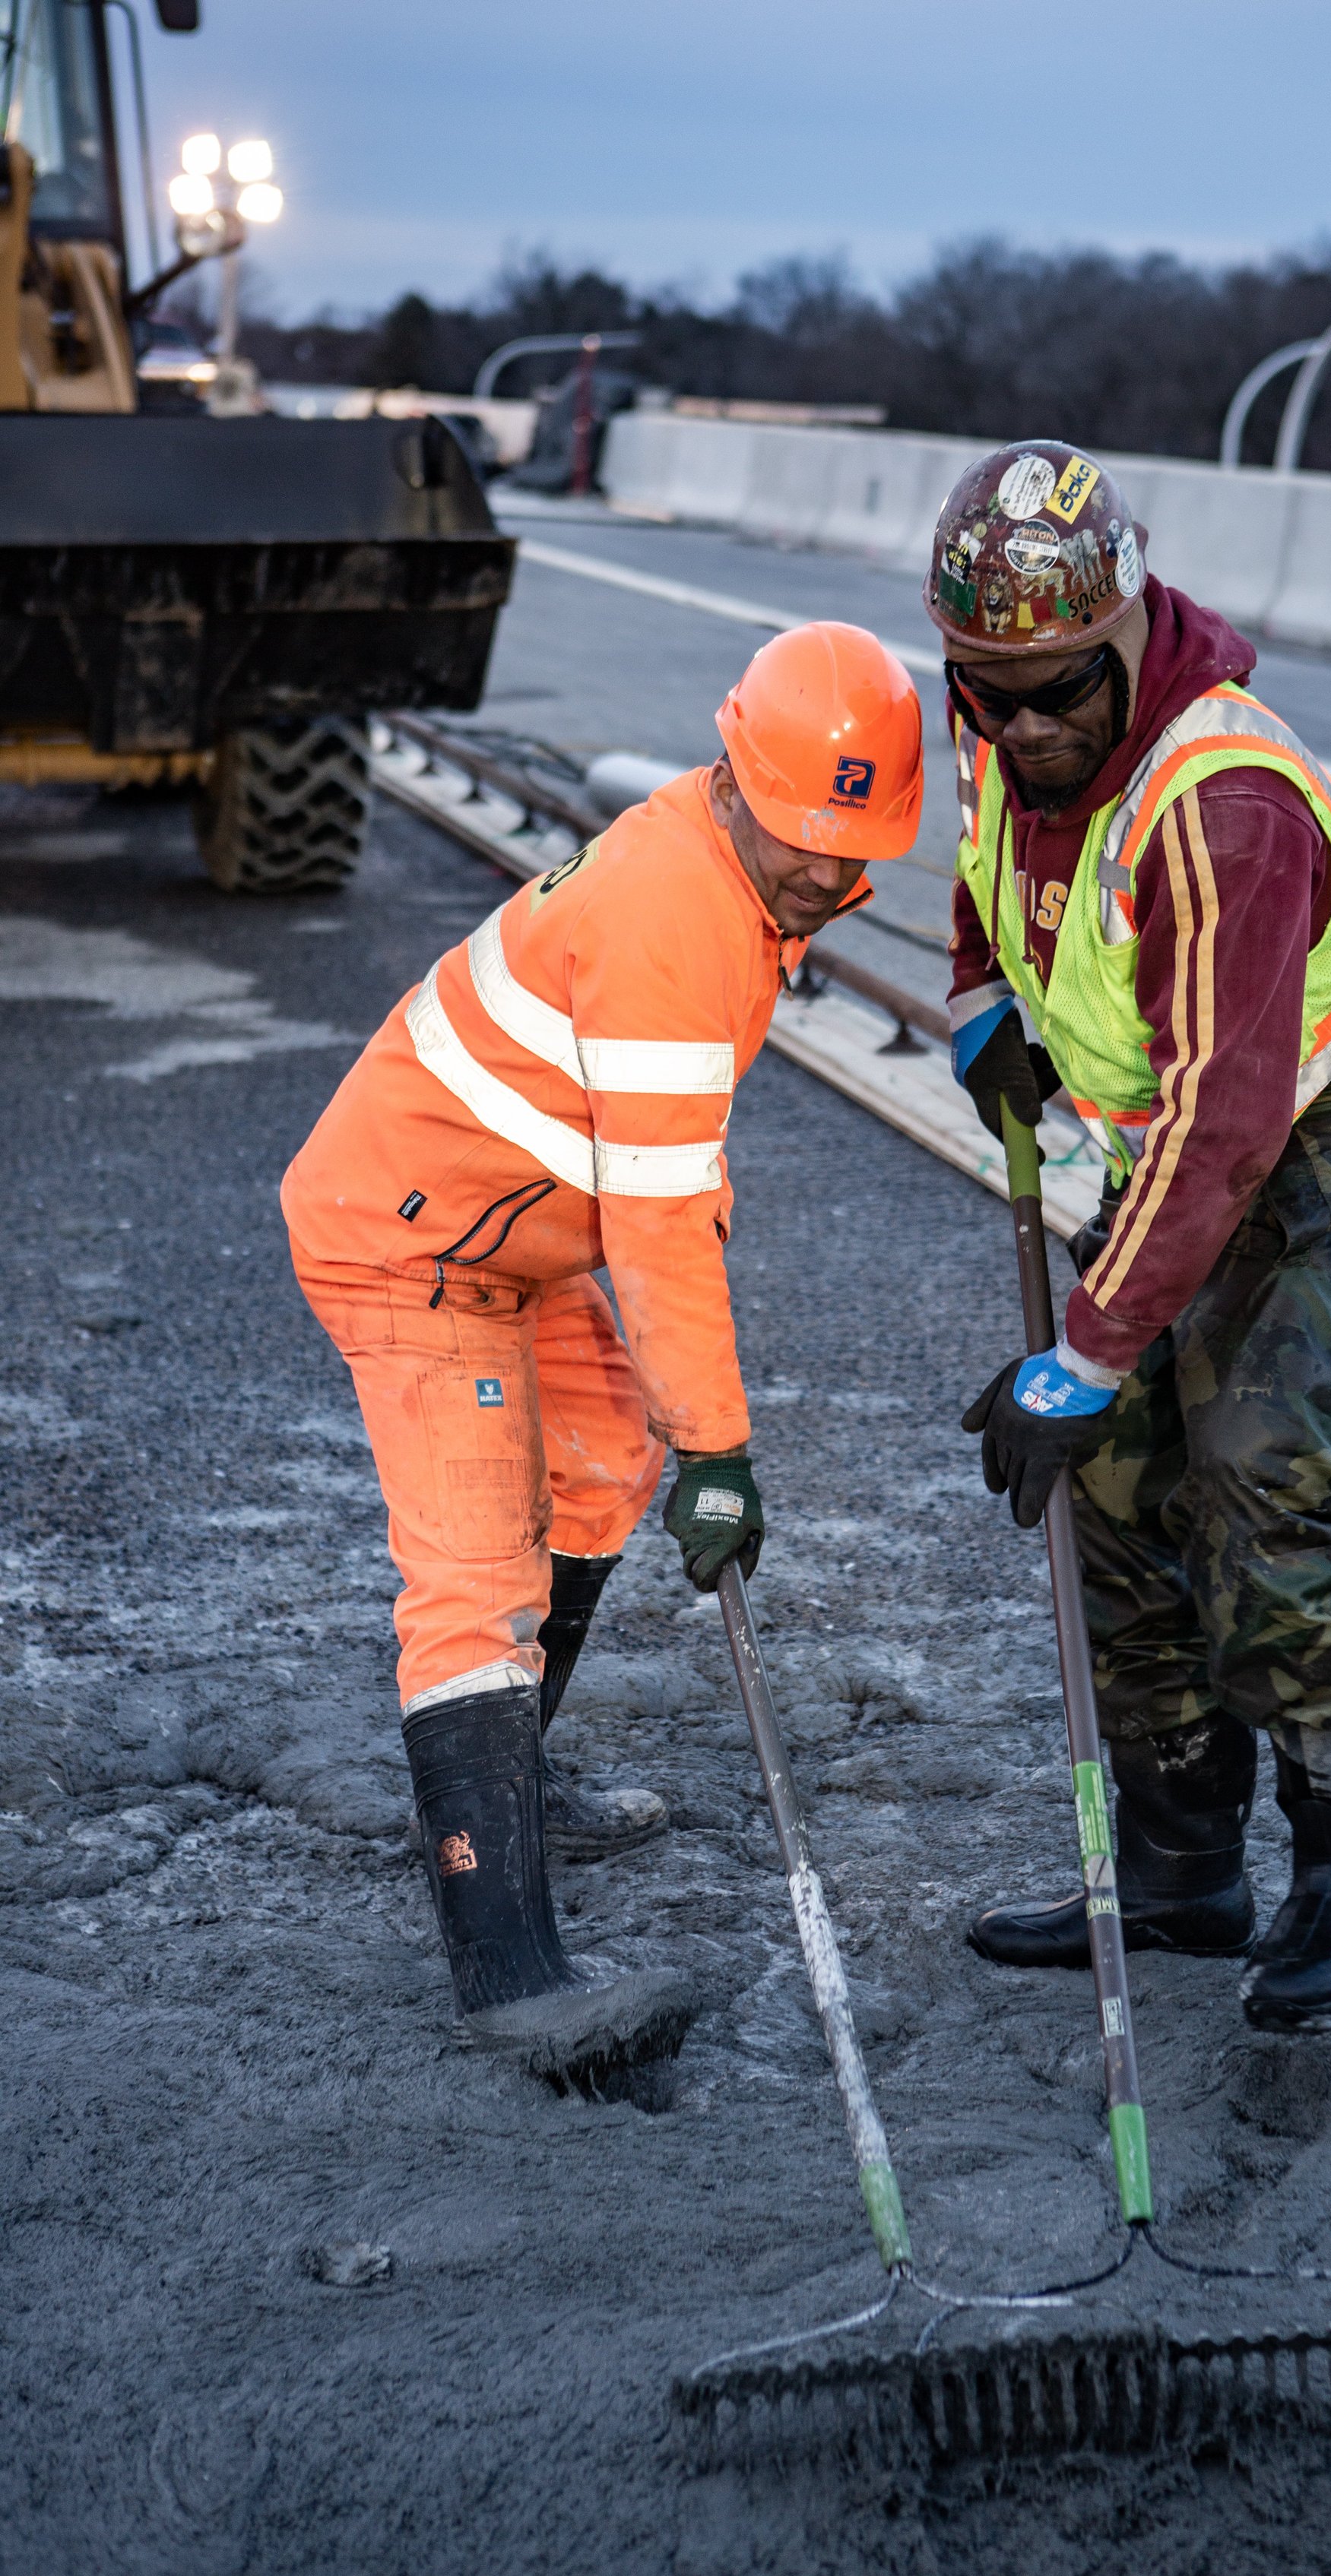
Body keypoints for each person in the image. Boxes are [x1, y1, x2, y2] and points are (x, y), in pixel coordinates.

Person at [281, 625, 924, 2078]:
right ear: (736, 769)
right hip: (416, 1243)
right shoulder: (672, 910)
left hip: (516, 1234)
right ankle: (507, 1971)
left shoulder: (739, 870)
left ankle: (509, 1778)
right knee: (476, 1576)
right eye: (804, 835)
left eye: (851, 841)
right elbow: (661, 1222)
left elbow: (653, 1189)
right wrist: (722, 1448)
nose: (825, 868)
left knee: (599, 1463)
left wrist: (677, 1443)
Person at [929, 440, 1331, 2033]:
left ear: (1123, 636)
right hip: (1194, 1121)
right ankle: (1180, 1867)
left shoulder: (1217, 802)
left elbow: (1223, 1131)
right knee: (1110, 1465)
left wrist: (1091, 1346)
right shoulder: (992, 718)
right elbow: (987, 870)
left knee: (1251, 1438)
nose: (1023, 727)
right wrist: (982, 1008)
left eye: (1056, 693)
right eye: (989, 690)